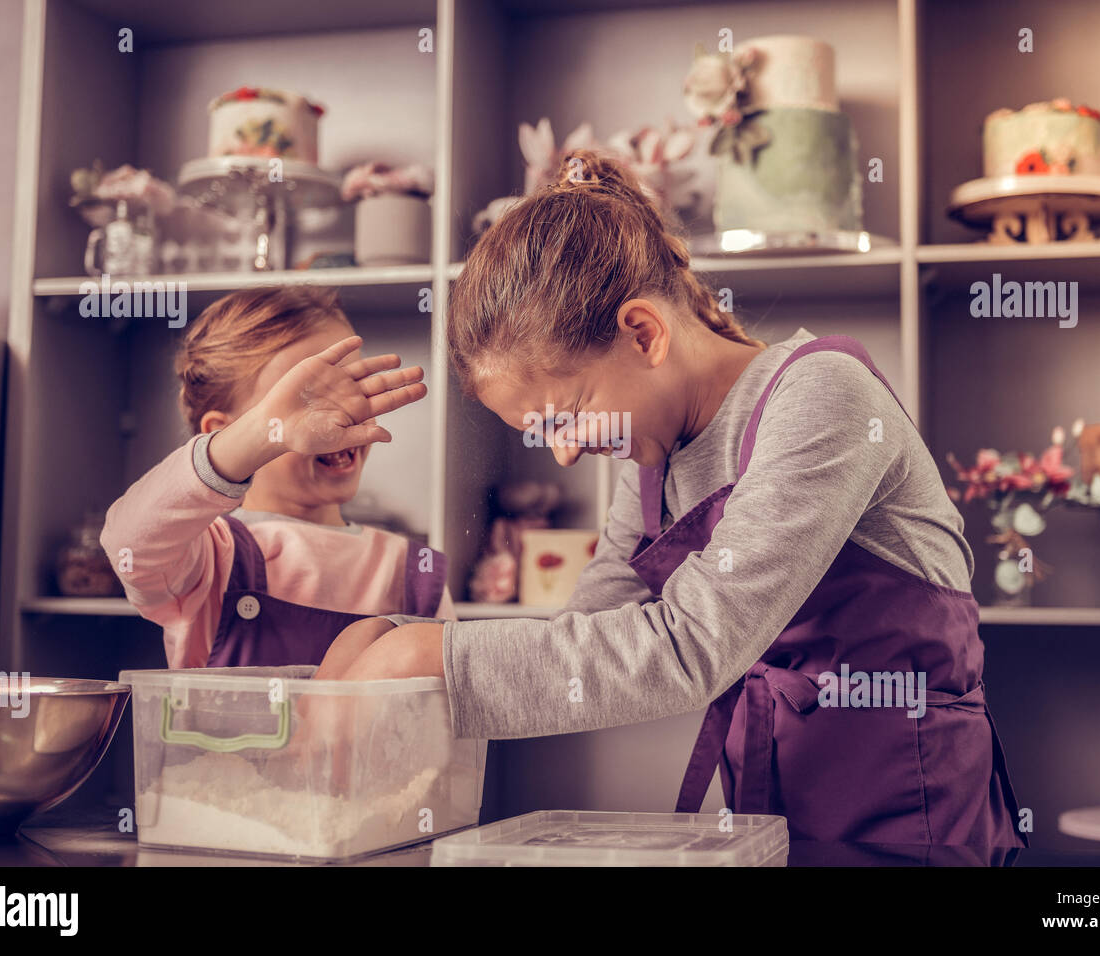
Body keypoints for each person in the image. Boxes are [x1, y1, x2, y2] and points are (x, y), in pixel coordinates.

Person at [320, 151, 1028, 848]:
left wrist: (431, 658)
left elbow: (693, 644)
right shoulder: (652, 452)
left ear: (643, 333)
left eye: (565, 416)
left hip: (908, 804)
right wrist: (386, 637)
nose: (564, 452)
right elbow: (591, 631)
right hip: (773, 793)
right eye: (541, 433)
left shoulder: (821, 397)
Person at [102, 285, 448, 669]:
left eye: (350, 389)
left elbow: (443, 711)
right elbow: (127, 541)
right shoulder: (209, 558)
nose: (339, 418)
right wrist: (259, 436)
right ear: (225, 430)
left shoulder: (413, 572)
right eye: (309, 399)